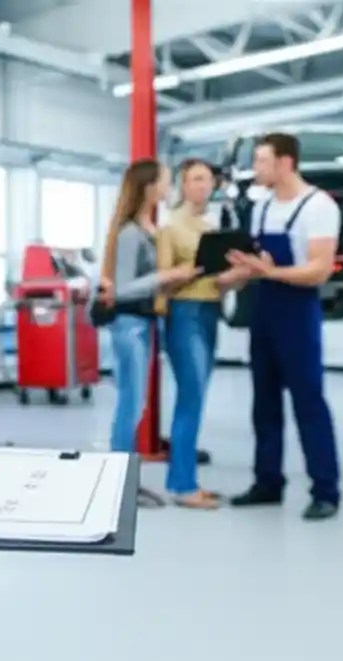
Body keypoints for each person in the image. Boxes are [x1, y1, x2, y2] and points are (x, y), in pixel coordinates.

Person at [227, 132, 343, 521]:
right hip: (264, 309)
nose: (255, 169)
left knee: (308, 402)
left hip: (298, 312)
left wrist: (270, 272)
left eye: (262, 161)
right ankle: (268, 482)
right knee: (264, 403)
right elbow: (257, 262)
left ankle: (326, 490)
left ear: (285, 163)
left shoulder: (318, 206)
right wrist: (232, 274)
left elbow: (319, 270)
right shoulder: (261, 206)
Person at [154, 160, 249, 509]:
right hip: (184, 314)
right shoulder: (171, 226)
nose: (203, 185)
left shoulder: (211, 228)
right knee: (190, 397)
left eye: (207, 180)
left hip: (211, 312)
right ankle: (183, 485)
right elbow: (162, 280)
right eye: (195, 179)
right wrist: (191, 272)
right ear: (183, 184)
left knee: (197, 396)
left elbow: (218, 282)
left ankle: (185, 479)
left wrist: (236, 276)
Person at [100, 159, 200, 457]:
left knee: (135, 401)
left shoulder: (151, 229)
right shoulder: (131, 232)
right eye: (166, 181)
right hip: (129, 324)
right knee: (131, 402)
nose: (170, 187)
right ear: (150, 187)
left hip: (144, 323)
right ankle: (119, 471)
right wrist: (167, 275)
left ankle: (123, 468)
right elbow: (123, 289)